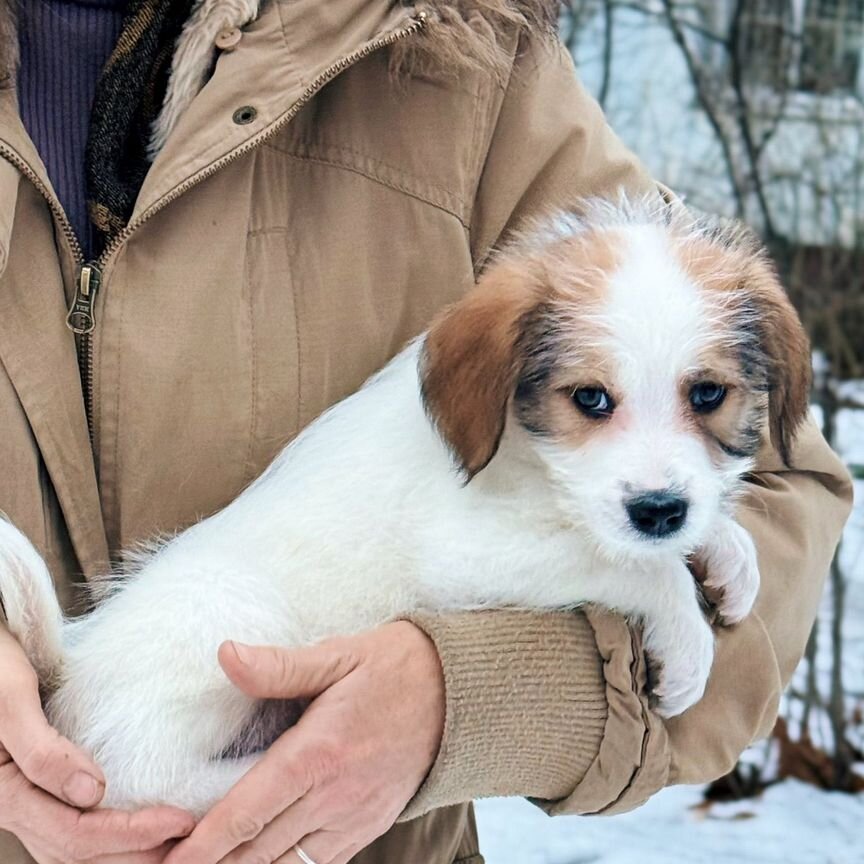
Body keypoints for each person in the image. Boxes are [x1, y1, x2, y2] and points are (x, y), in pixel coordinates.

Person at [0, 1, 852, 863]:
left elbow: (792, 486)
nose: (662, 468)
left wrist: (461, 700)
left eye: (704, 398)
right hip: (162, 691)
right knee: (216, 621)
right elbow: (464, 556)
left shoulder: (447, 46)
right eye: (594, 402)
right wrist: (654, 589)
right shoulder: (482, 368)